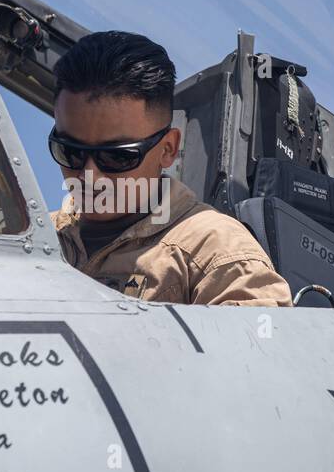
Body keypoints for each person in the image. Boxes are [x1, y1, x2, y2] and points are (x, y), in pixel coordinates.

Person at [48, 31, 292, 307]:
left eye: (117, 157)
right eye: (71, 151)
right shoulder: (28, 236)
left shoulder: (216, 254)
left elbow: (261, 345)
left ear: (167, 149)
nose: (90, 175)